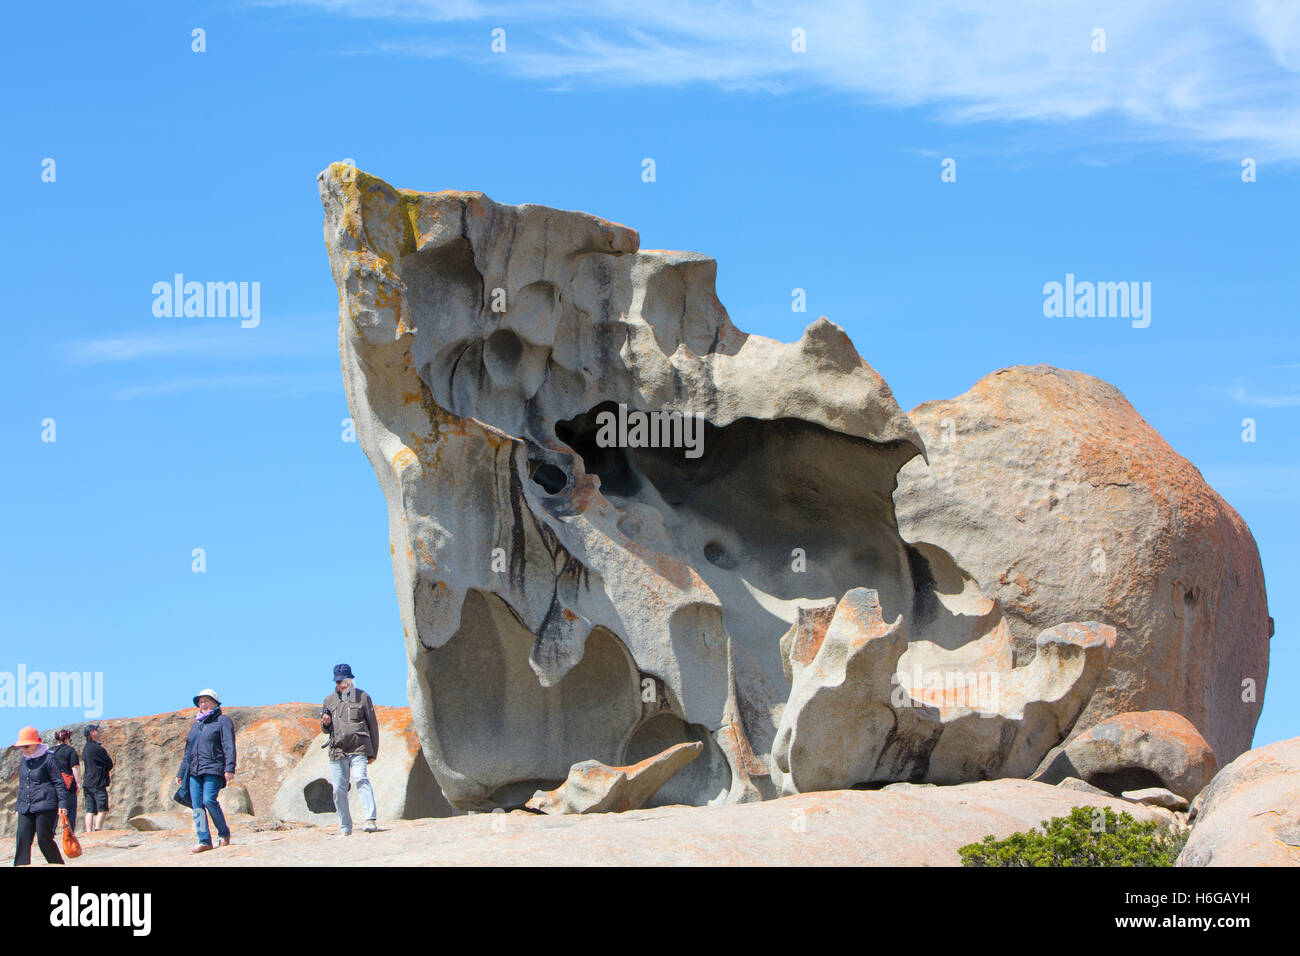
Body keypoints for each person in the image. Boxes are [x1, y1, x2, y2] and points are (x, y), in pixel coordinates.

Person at [174, 689, 237, 853]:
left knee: (209, 800)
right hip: (194, 771)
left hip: (213, 768)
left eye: (206, 701)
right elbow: (188, 751)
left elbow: (228, 745)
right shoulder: (196, 725)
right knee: (196, 806)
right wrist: (181, 773)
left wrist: (230, 767)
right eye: (200, 702)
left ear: (215, 703)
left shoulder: (223, 720)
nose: (202, 704)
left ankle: (224, 833)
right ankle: (204, 841)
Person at [321, 664, 379, 835]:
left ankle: (370, 819)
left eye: (345, 681)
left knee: (361, 778)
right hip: (337, 750)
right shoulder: (328, 701)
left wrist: (373, 752)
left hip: (359, 747)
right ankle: (345, 827)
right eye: (339, 681)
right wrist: (325, 723)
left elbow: (373, 726)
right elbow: (326, 729)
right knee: (338, 789)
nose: (342, 685)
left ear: (351, 679)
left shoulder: (363, 697)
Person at [11, 727, 70, 866]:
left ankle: (57, 864)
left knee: (44, 838)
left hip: (45, 805)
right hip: (26, 806)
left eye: (26, 746)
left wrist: (62, 804)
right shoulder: (24, 761)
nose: (23, 749)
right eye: (21, 747)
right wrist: (19, 805)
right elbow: (23, 784)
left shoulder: (49, 759)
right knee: (22, 837)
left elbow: (58, 782)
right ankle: (21, 865)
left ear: (36, 743)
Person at [80, 724, 113, 833]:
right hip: (98, 782)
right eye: (95, 730)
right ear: (91, 733)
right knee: (102, 808)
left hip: (87, 782)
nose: (98, 732)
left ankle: (89, 831)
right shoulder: (97, 748)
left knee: (89, 810)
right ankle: (98, 829)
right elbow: (109, 763)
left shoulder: (85, 748)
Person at [50, 730, 81, 834]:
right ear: (67, 738)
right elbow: (75, 768)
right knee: (71, 810)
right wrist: (78, 783)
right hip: (67, 784)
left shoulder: (50, 751)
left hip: (52, 785)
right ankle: (69, 833)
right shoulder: (70, 751)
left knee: (53, 810)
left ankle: (50, 832)